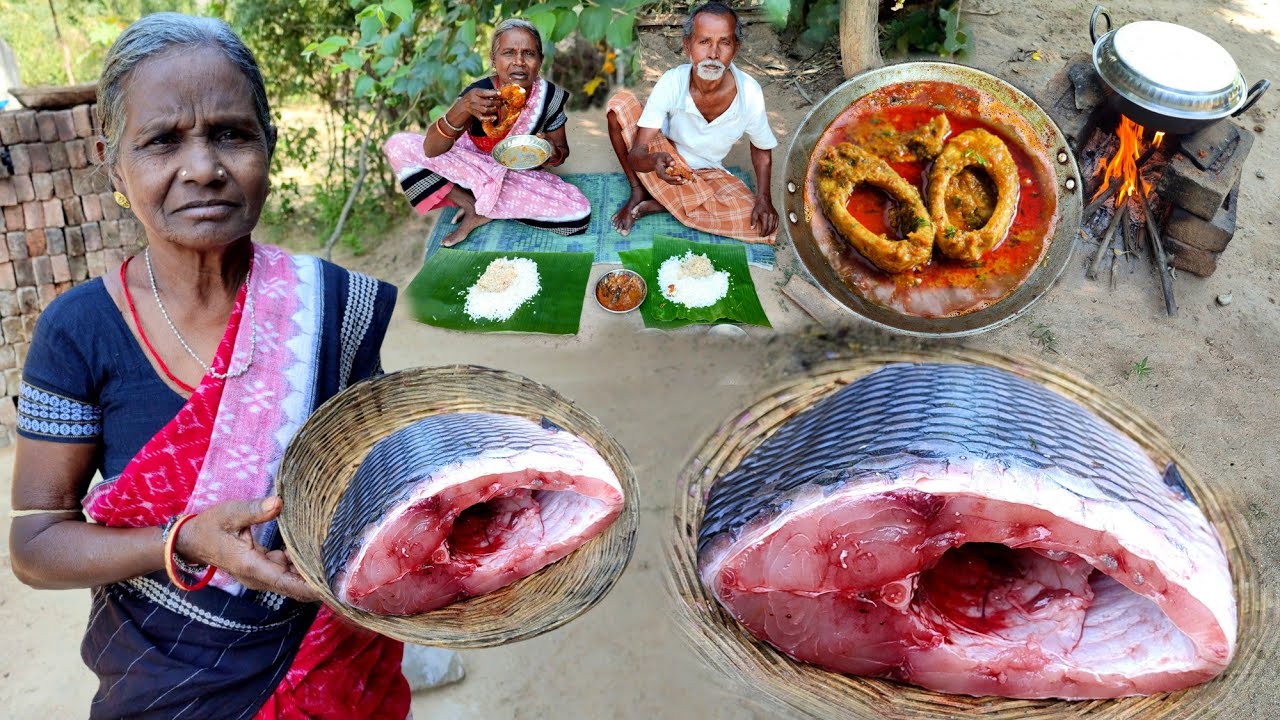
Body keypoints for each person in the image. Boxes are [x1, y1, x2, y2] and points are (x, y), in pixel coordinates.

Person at [7, 13, 409, 719]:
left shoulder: (330, 307)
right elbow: (36, 543)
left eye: (230, 133)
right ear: (113, 161)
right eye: (162, 141)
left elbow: (372, 475)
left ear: (268, 144)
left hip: (335, 664)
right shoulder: (79, 332)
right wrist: (180, 540)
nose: (203, 168)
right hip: (170, 684)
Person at [383, 18, 591, 247]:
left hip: (515, 175)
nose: (519, 62)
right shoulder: (477, 96)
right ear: (494, 60)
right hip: (469, 168)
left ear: (540, 61)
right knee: (398, 145)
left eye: (529, 54)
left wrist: (550, 151)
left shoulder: (548, 98)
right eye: (509, 53)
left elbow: (562, 151)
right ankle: (471, 205)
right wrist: (461, 109)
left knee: (577, 215)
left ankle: (488, 205)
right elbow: (431, 150)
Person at [606, 2, 779, 243]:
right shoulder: (672, 82)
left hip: (708, 173)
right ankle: (639, 191)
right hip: (665, 159)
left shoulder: (749, 92)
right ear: (688, 44)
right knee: (620, 106)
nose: (713, 54)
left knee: (762, 227)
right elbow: (637, 155)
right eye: (704, 42)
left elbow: (761, 148)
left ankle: (666, 202)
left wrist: (764, 199)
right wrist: (654, 161)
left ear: (735, 48)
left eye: (724, 43)